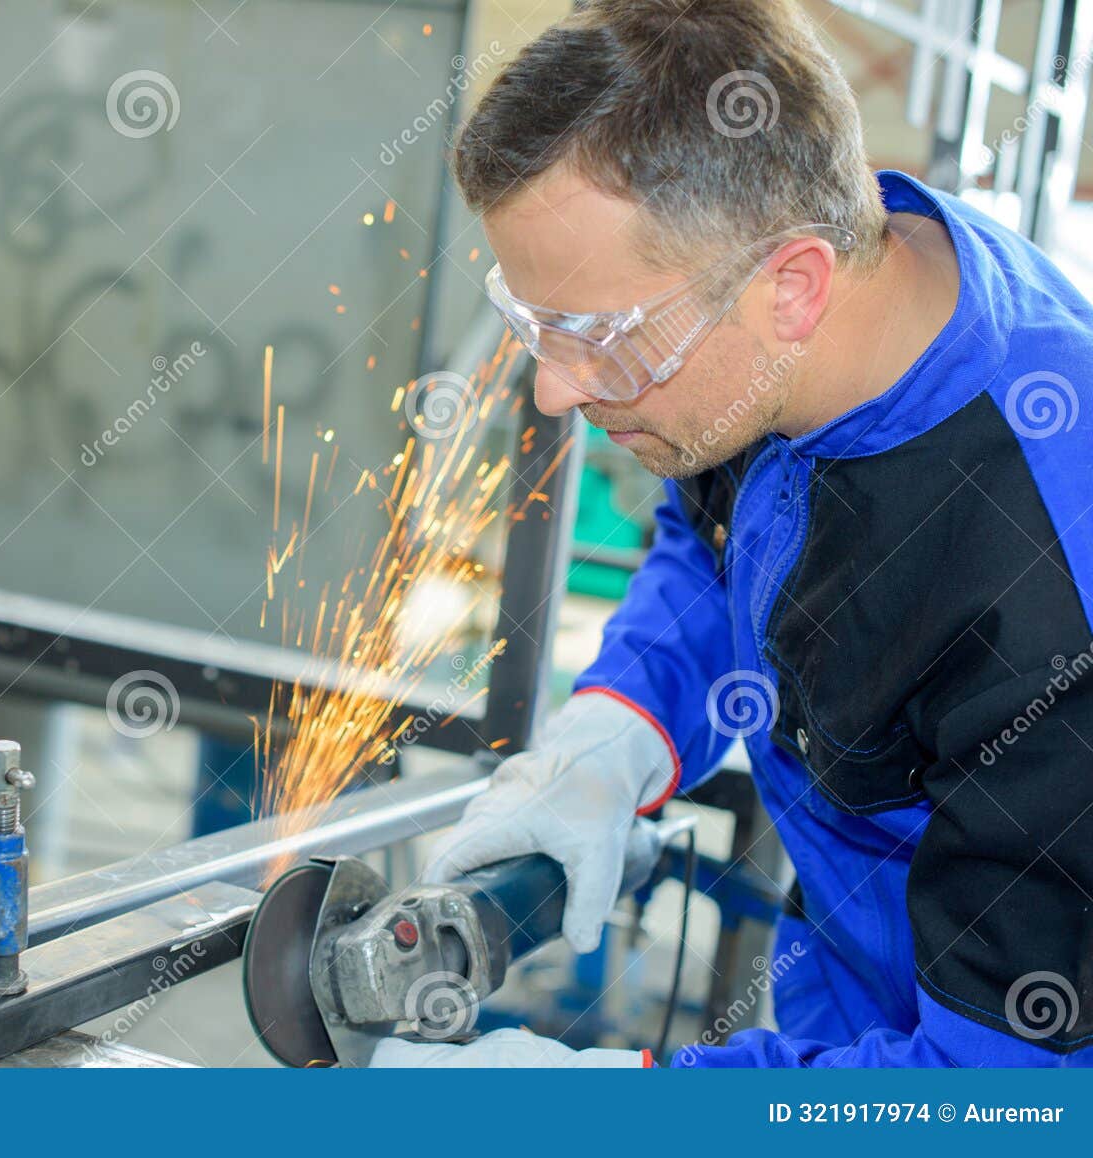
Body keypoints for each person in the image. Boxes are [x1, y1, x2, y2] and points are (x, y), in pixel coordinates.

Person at [374, 0, 1093, 1067]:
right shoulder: (802, 335)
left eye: (593, 335)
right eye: (535, 325)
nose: (557, 390)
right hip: (846, 1017)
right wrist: (615, 734)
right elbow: (724, 548)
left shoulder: (1046, 576)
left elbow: (1003, 1090)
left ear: (791, 287)